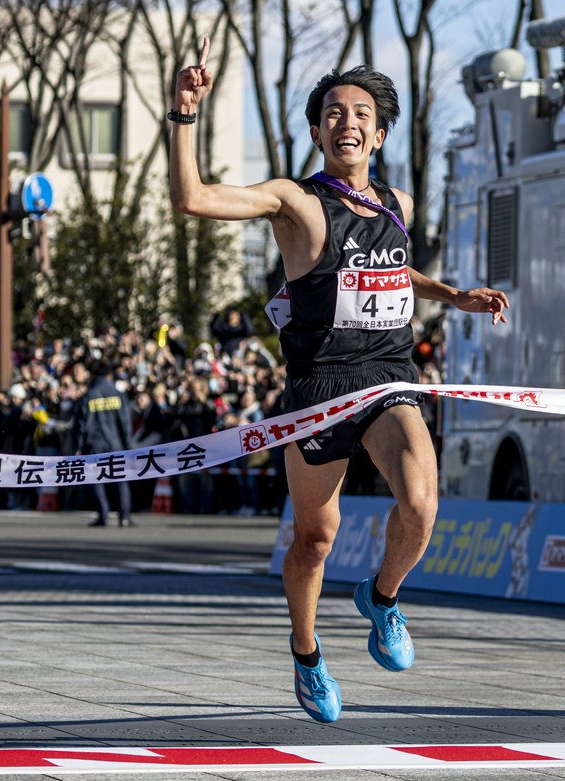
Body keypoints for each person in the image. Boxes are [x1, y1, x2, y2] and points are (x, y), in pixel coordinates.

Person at [170, 39, 509, 723]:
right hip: (320, 387)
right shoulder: (296, 201)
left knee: (420, 503)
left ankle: (381, 598)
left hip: (387, 378)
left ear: (379, 133)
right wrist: (184, 116)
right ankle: (306, 653)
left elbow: (390, 271)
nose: (346, 122)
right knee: (314, 539)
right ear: (318, 129)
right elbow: (194, 199)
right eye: (332, 112)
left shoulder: (398, 205)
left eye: (360, 113)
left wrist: (451, 294)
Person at [74, 360, 134, 528]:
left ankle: (103, 515)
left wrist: (78, 447)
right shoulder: (118, 393)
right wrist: (127, 443)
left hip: (94, 443)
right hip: (116, 443)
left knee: (96, 479)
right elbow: (125, 422)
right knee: (121, 478)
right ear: (108, 375)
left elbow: (81, 425)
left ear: (92, 375)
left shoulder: (88, 395)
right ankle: (125, 516)